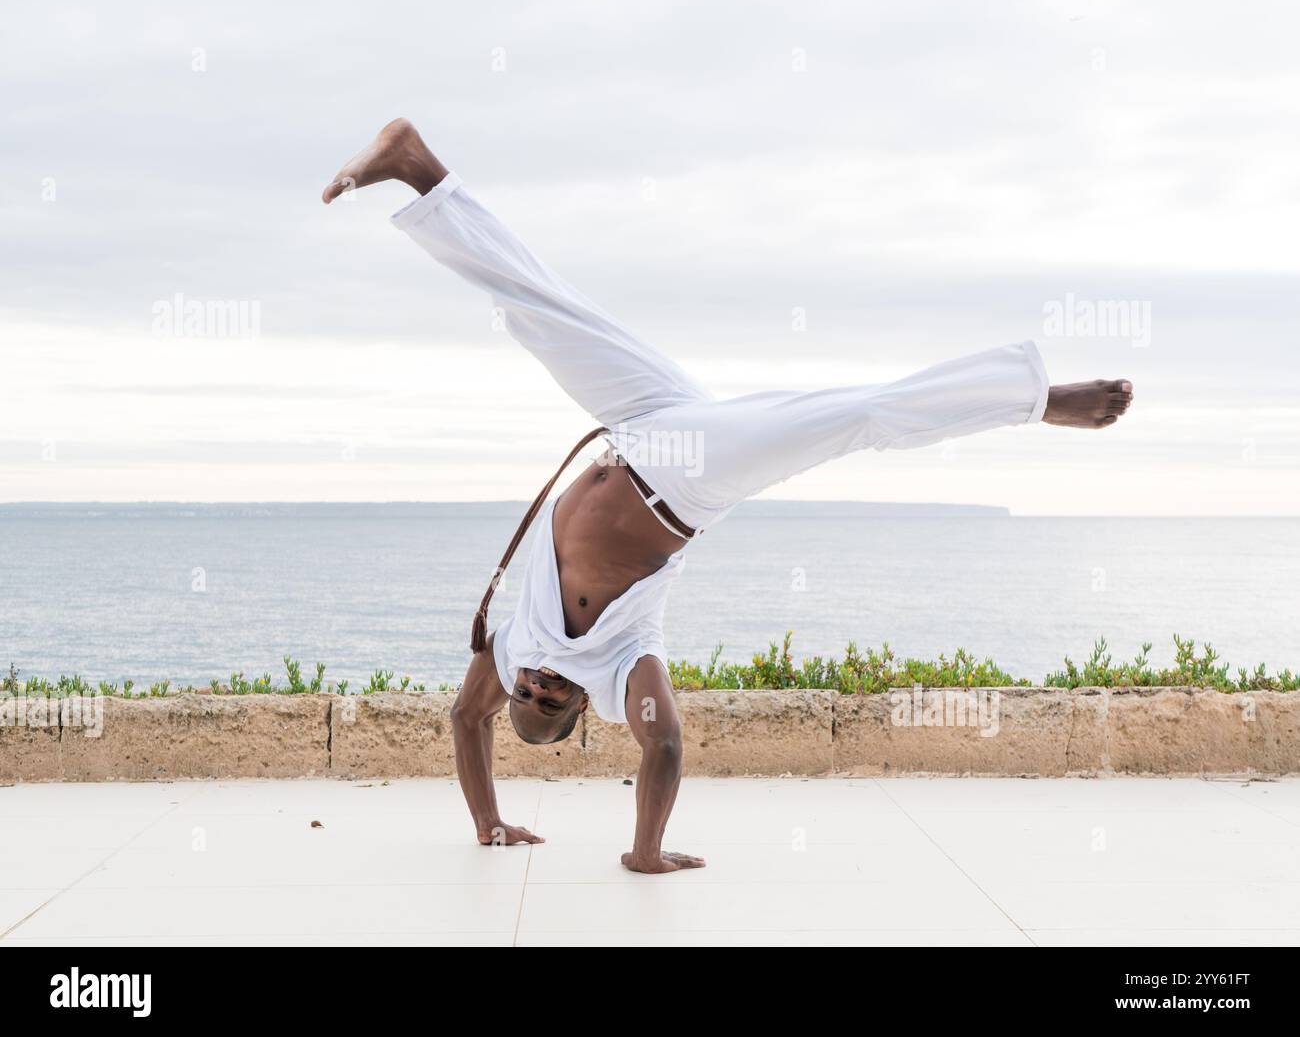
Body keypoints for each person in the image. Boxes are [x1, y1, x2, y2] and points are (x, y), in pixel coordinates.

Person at [323, 119, 1134, 874]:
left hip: (637, 421)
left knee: (537, 310)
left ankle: (415, 165)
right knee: (858, 417)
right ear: (580, 709)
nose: (537, 682)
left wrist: (487, 823)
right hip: (688, 473)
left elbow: (467, 722)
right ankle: (1038, 398)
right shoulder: (618, 669)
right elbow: (664, 745)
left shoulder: (509, 650)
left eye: (527, 694)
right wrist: (645, 851)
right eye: (550, 697)